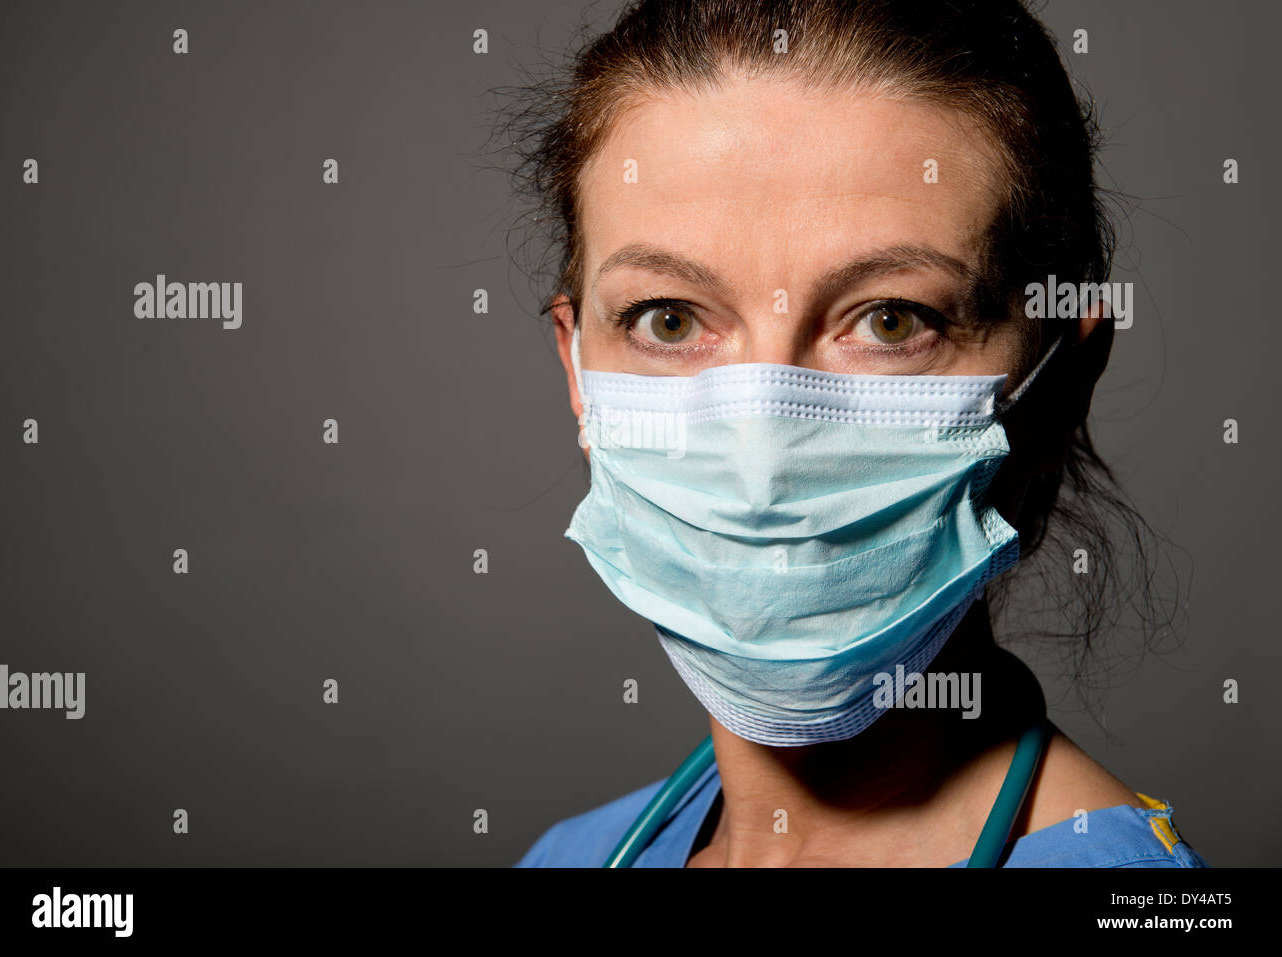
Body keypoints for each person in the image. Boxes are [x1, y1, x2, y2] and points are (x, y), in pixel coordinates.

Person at [506, 0, 1208, 867]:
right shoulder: (569, 855)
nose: (764, 452)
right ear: (579, 371)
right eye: (670, 319)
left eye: (889, 319)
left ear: (1060, 383)